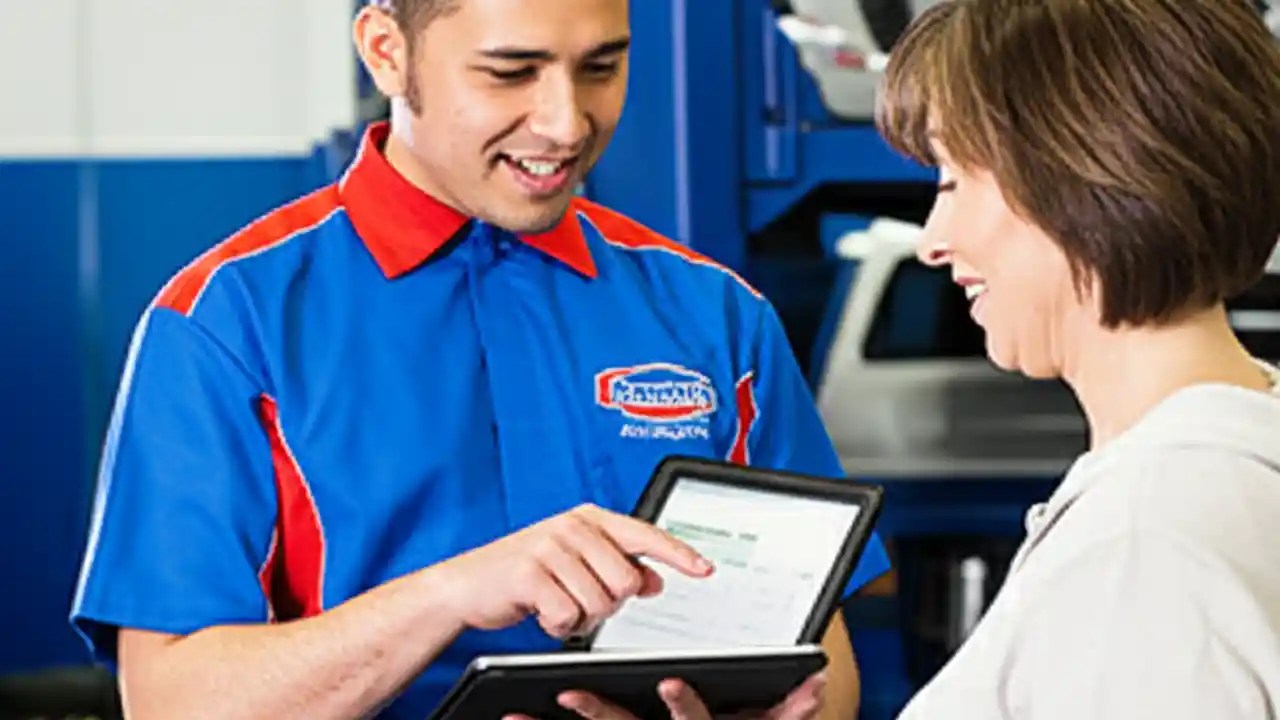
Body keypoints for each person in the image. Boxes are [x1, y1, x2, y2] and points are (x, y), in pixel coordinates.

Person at [68, 0, 891, 718]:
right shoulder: (227, 323)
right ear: (387, 49)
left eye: (601, 67)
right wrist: (449, 593)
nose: (566, 122)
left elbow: (827, 664)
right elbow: (173, 702)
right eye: (510, 72)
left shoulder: (717, 317)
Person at [873, 1, 1280, 718]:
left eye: (953, 182)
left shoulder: (1146, 545)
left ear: (1081, 177)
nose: (933, 240)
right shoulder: (1220, 469)